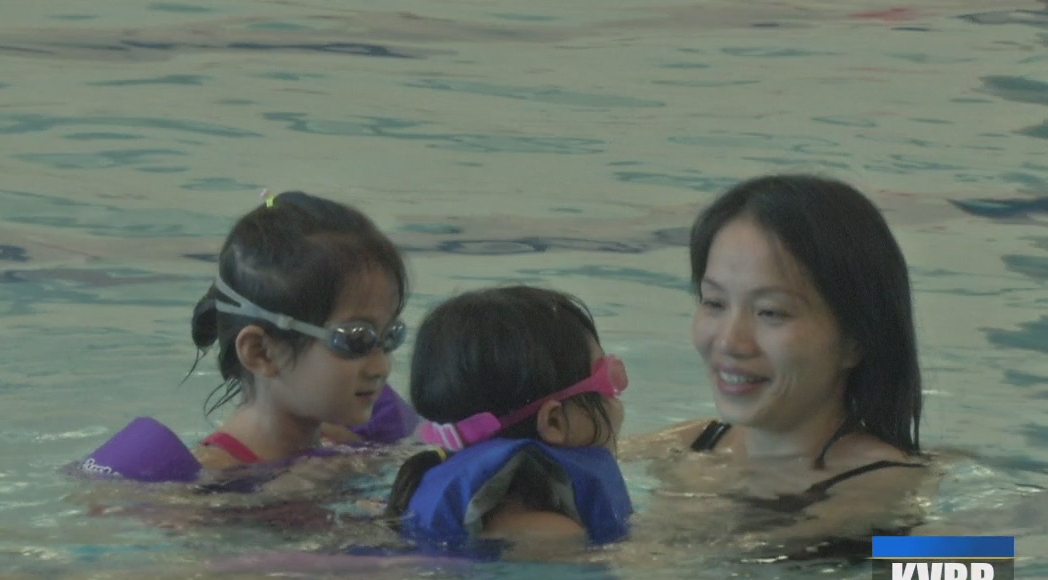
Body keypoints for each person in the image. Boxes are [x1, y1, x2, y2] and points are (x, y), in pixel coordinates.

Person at [627, 174, 932, 555]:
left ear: (856, 341)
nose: (728, 342)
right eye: (714, 303)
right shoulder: (691, 444)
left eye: (770, 312)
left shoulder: (892, 488)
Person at [74, 190, 417, 492]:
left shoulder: (353, 442)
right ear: (261, 352)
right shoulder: (205, 482)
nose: (381, 366)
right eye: (356, 340)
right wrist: (265, 505)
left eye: (390, 336)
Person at [382, 287, 634, 555]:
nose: (617, 395)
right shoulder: (550, 534)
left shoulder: (449, 481)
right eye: (608, 380)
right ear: (554, 421)